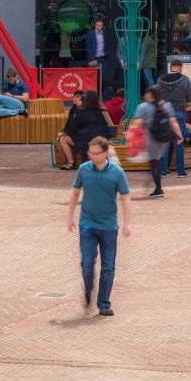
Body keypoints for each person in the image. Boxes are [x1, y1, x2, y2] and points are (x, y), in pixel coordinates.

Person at [66, 136, 132, 317]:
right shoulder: (83, 169)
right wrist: (70, 216)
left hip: (109, 226)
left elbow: (125, 197)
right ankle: (88, 292)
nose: (92, 156)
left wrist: (127, 223)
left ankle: (104, 303)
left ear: (105, 153)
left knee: (108, 266)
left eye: (95, 153)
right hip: (87, 224)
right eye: (90, 153)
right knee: (87, 263)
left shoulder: (117, 172)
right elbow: (75, 193)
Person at [130, 85, 183, 198]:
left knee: (154, 163)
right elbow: (173, 121)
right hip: (164, 138)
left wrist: (131, 136)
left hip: (151, 139)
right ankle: (157, 187)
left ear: (150, 94)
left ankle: (158, 189)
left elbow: (137, 123)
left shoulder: (143, 107)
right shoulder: (167, 105)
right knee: (156, 162)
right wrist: (179, 135)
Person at [157, 58, 191, 178]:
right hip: (179, 113)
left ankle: (162, 171)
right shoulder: (184, 80)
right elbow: (190, 98)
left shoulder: (160, 80)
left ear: (171, 67)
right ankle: (181, 172)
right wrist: (188, 103)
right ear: (180, 67)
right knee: (179, 142)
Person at [69, 89, 112, 162]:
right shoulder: (102, 112)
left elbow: (73, 129)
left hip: (84, 144)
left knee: (87, 165)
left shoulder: (80, 112)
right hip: (100, 144)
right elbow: (109, 127)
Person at [85, 17, 120, 96]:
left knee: (104, 77)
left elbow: (107, 45)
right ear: (95, 25)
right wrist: (91, 59)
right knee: (94, 77)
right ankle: (94, 94)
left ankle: (102, 93)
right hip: (94, 59)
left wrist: (106, 54)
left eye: (100, 25)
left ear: (102, 26)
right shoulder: (90, 34)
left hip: (103, 59)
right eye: (97, 25)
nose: (99, 27)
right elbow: (88, 47)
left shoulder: (105, 33)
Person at [57, 90, 85, 170]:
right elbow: (68, 124)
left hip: (81, 137)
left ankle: (70, 162)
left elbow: (78, 126)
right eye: (74, 96)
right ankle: (65, 162)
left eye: (77, 97)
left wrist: (65, 134)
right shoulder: (73, 110)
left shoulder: (84, 111)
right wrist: (62, 132)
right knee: (58, 140)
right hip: (73, 135)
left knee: (63, 139)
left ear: (82, 98)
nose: (75, 99)